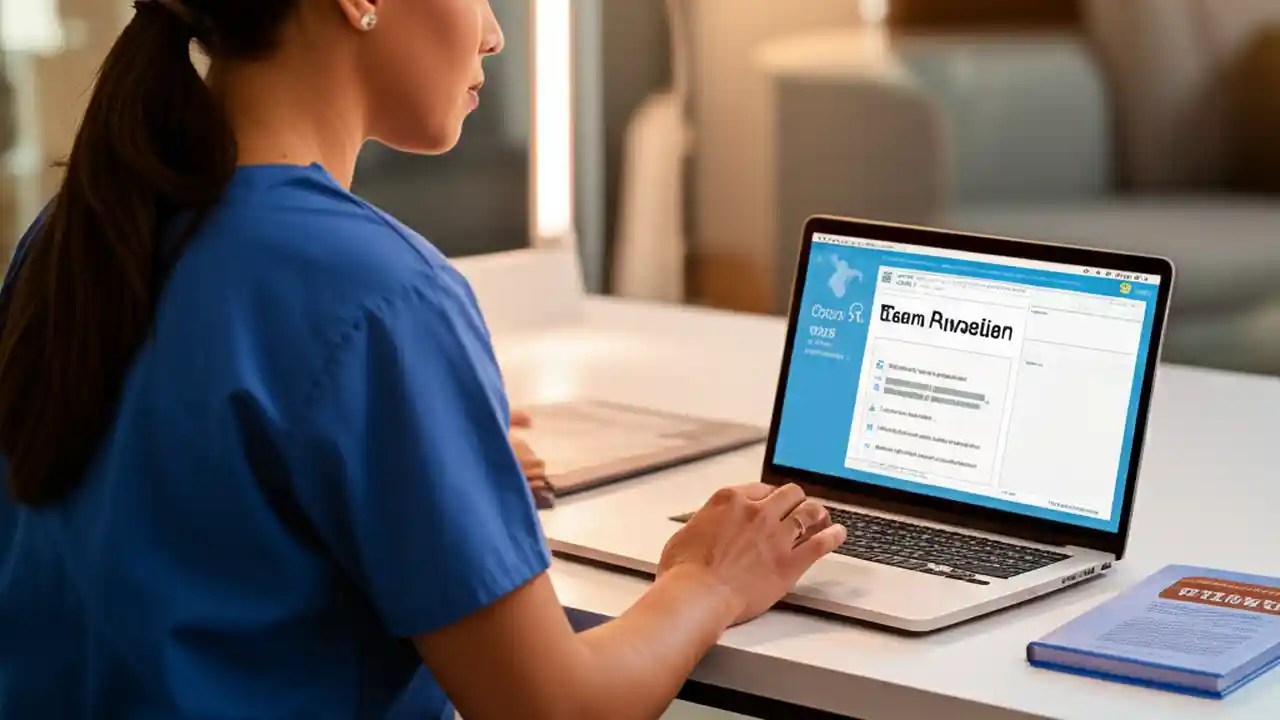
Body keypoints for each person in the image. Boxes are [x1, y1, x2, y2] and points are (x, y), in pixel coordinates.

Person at [0, 1, 845, 718]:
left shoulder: (72, 235)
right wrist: (707, 581)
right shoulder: (379, 290)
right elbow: (553, 708)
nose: (493, 34)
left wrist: (430, 466)